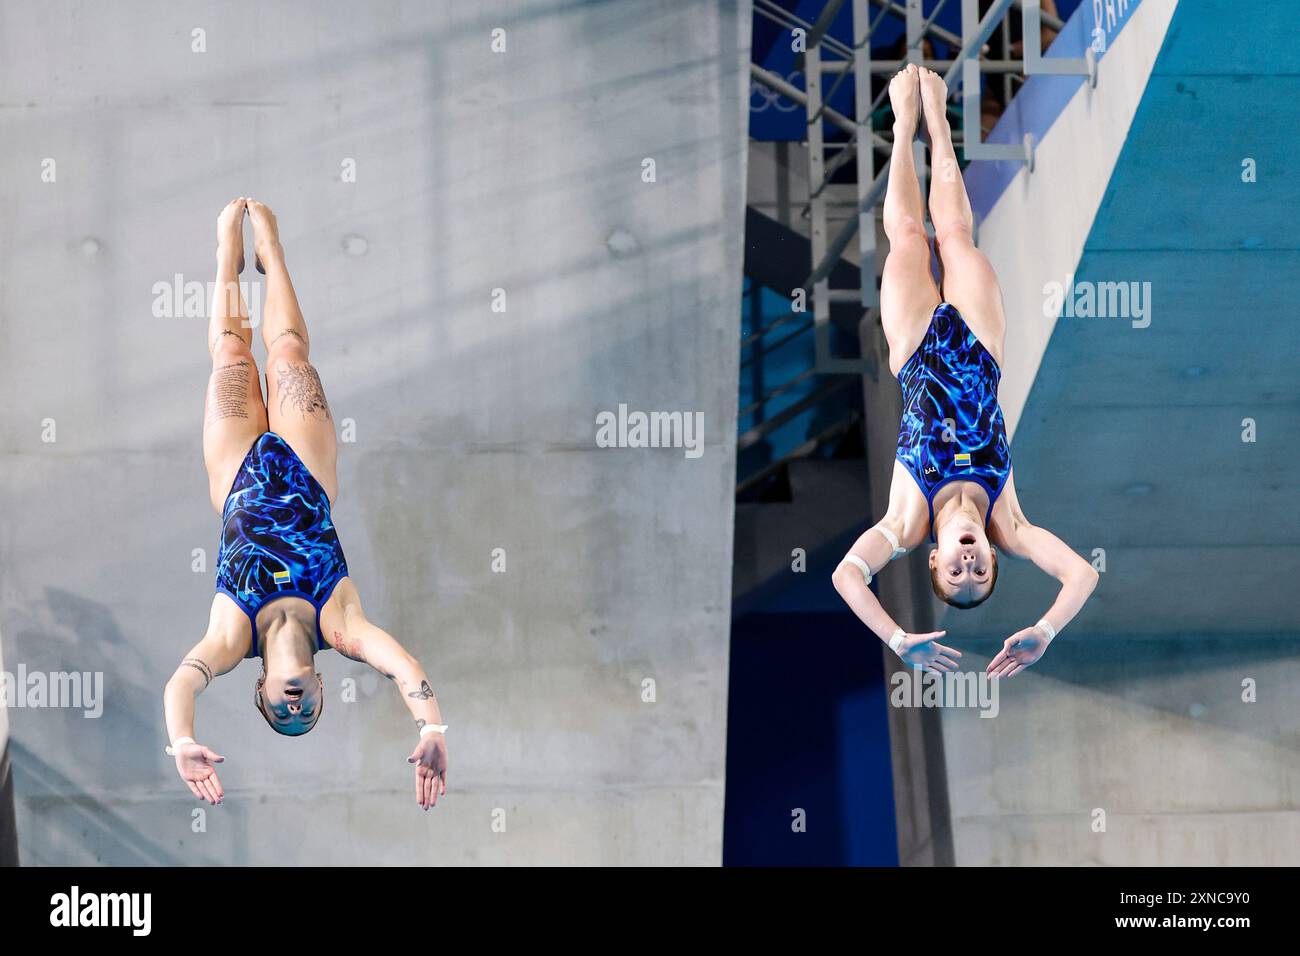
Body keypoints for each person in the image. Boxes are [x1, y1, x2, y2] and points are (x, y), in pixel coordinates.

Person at [162, 199, 449, 808]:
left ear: (261, 689)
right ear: (320, 684)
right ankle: (272, 252)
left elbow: (181, 683)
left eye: (282, 713)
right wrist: (432, 727)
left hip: (237, 472)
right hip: (306, 468)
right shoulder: (339, 626)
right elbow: (401, 666)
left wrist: (182, 739)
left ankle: (226, 256)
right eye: (308, 710)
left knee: (232, 356)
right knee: (289, 352)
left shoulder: (232, 636)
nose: (297, 708)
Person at [831, 66, 1097, 678]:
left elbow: (848, 575)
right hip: (980, 344)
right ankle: (941, 126)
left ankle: (902, 126)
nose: (969, 565)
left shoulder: (905, 522)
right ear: (995, 560)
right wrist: (1046, 629)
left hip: (916, 348)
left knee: (904, 237)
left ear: (934, 560)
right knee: (952, 233)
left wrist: (899, 640)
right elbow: (1082, 573)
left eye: (957, 573)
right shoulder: (1010, 522)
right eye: (981, 573)